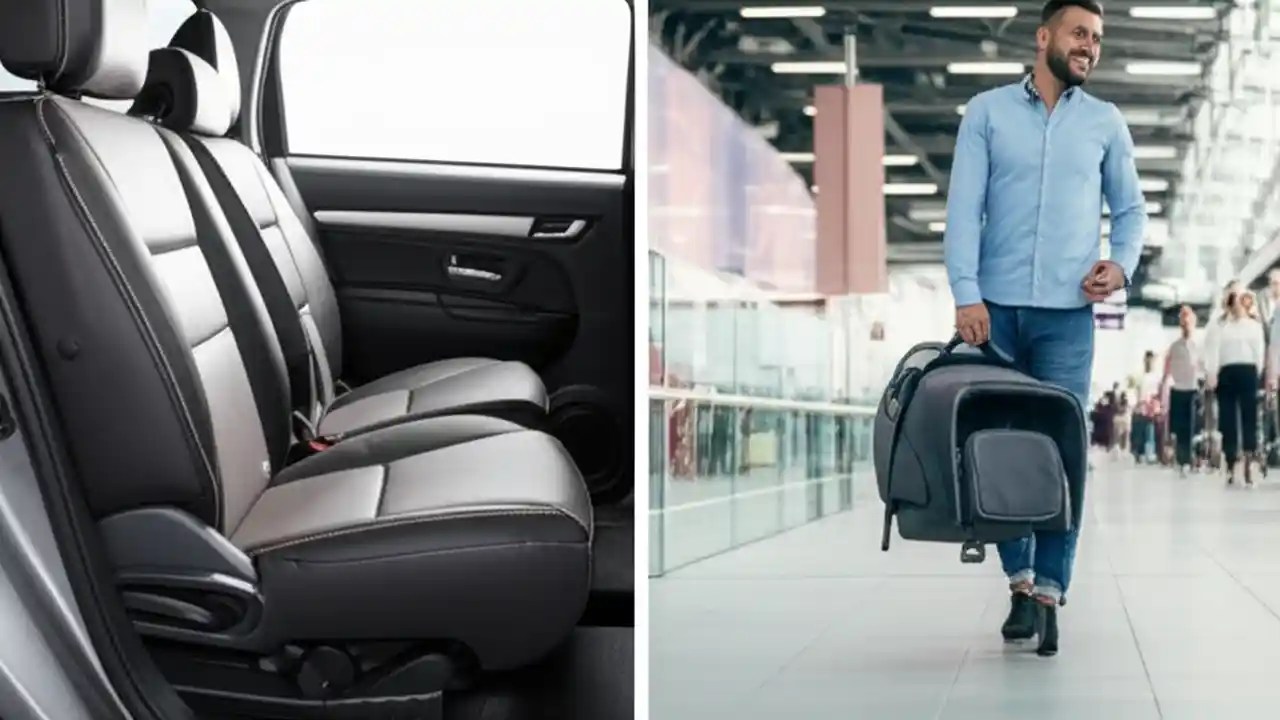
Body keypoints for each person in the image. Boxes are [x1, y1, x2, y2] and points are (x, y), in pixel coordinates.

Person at [943, 0, 1147, 657]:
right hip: (995, 315)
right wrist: (966, 294)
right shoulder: (987, 113)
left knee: (1062, 450)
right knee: (1000, 447)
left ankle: (1053, 591)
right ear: (1043, 37)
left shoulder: (1105, 123)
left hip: (1067, 318)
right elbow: (963, 208)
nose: (1090, 45)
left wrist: (1120, 264)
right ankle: (1020, 583)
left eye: (1097, 38)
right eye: (1079, 33)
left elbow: (1132, 210)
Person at [1203, 286, 1266, 486]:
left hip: (1248, 371)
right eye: (1232, 299)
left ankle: (1248, 461)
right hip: (1226, 372)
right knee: (1227, 419)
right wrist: (1212, 373)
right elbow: (1212, 351)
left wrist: (1257, 373)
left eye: (1239, 299)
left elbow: (1259, 353)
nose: (1236, 303)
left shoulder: (1254, 326)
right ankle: (1230, 462)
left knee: (1249, 418)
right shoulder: (1221, 326)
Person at [1163, 306, 1201, 475]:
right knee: (1178, 428)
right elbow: (1167, 369)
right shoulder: (1174, 347)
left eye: (1188, 322)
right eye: (1183, 322)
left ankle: (1189, 459)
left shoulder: (1198, 346)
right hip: (1178, 390)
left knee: (1192, 427)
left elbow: (1204, 366)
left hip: (1193, 390)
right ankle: (1181, 459)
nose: (1186, 325)